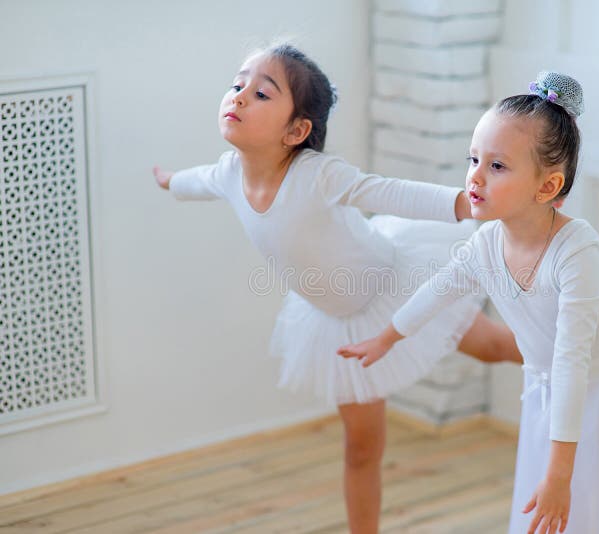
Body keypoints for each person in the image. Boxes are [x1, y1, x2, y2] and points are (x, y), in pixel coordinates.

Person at [153, 43, 522, 534]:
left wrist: (465, 202)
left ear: (296, 131)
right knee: (362, 449)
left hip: (396, 283)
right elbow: (196, 180)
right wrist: (170, 181)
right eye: (237, 85)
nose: (239, 97)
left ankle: (574, 355)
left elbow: (389, 192)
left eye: (260, 93)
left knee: (494, 346)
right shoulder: (227, 172)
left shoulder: (317, 175)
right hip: (338, 325)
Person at [338, 71, 599, 533]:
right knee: (545, 504)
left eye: (497, 166)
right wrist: (387, 338)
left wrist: (559, 474)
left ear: (547, 188)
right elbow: (439, 289)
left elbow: (572, 362)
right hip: (548, 388)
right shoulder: (487, 244)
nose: (475, 177)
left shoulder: (578, 255)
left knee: (596, 501)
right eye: (473, 159)